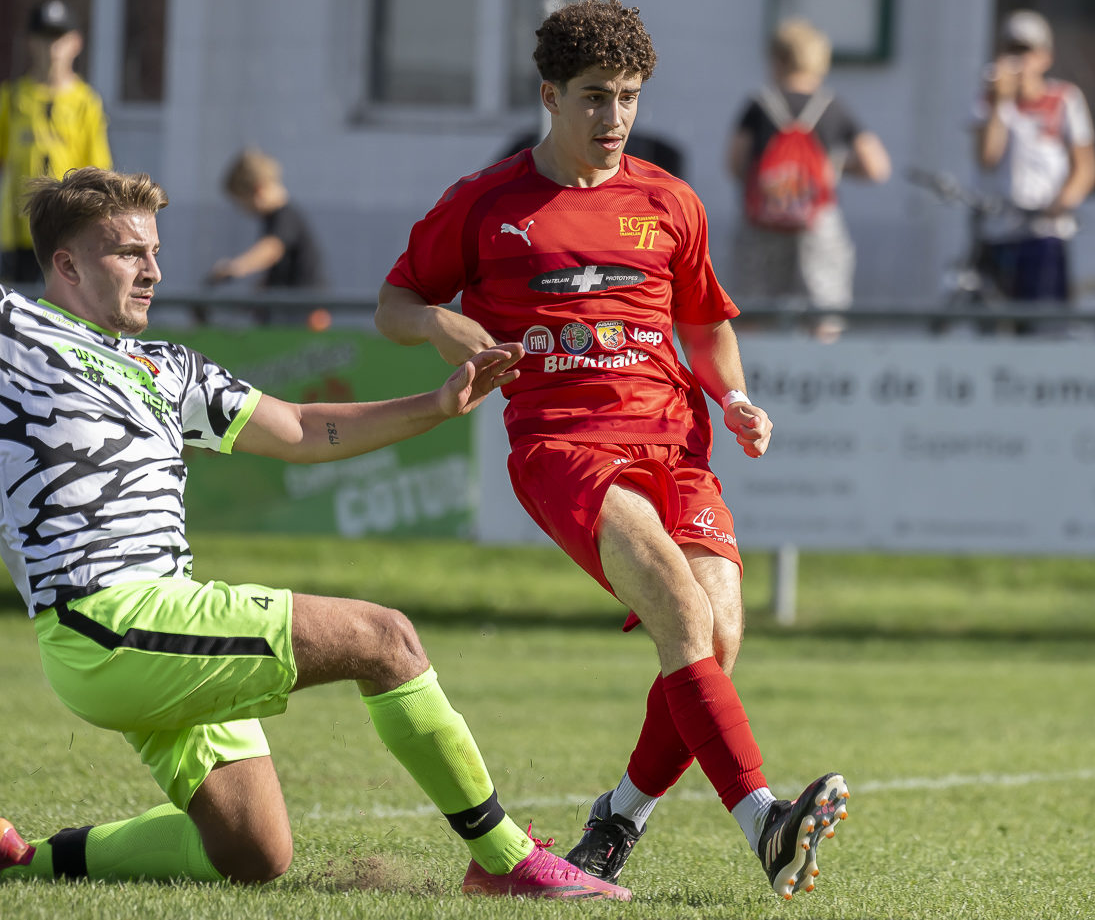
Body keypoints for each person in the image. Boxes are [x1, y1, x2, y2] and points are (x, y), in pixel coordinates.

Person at [0, 167, 629, 901]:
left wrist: (437, 404)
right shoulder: (16, 332)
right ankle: (504, 859)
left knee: (252, 850)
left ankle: (25, 861)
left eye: (156, 251)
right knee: (385, 638)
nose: (153, 272)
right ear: (68, 265)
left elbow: (299, 428)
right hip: (104, 623)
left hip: (159, 622)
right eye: (128, 253)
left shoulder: (166, 367)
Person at [374, 0, 849, 902]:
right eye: (595, 95)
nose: (615, 116)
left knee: (717, 636)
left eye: (629, 96)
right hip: (565, 446)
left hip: (677, 442)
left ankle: (617, 820)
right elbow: (395, 303)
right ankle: (765, 819)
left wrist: (736, 398)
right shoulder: (485, 202)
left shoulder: (670, 199)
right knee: (681, 611)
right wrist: (441, 324)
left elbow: (705, 323)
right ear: (550, 95)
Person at [726, 18, 891, 343]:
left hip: (762, 223)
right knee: (824, 309)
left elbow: (734, 164)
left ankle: (752, 370)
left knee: (752, 309)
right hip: (818, 223)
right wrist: (835, 167)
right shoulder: (833, 107)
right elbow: (877, 167)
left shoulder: (759, 105)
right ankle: (821, 365)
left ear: (778, 59)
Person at [972, 9, 1095, 306]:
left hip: (1044, 230)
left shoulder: (1064, 98)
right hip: (999, 228)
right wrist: (1000, 101)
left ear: (1044, 57)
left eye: (1026, 51)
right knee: (994, 312)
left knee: (1042, 315)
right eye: (1011, 51)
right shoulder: (989, 100)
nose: (1018, 61)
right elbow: (987, 157)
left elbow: (1086, 166)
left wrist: (1061, 203)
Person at [0, 0, 111, 284]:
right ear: (30, 42)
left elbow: (97, 174)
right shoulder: (11, 98)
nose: (52, 48)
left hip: (65, 232)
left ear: (76, 43)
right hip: (17, 235)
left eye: (59, 38)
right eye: (43, 38)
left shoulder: (86, 102)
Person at [207, 147, 327, 324]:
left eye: (242, 202)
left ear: (258, 190)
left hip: (301, 315)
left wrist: (235, 267)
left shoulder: (285, 216)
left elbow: (271, 249)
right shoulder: (274, 219)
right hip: (290, 311)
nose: (244, 210)